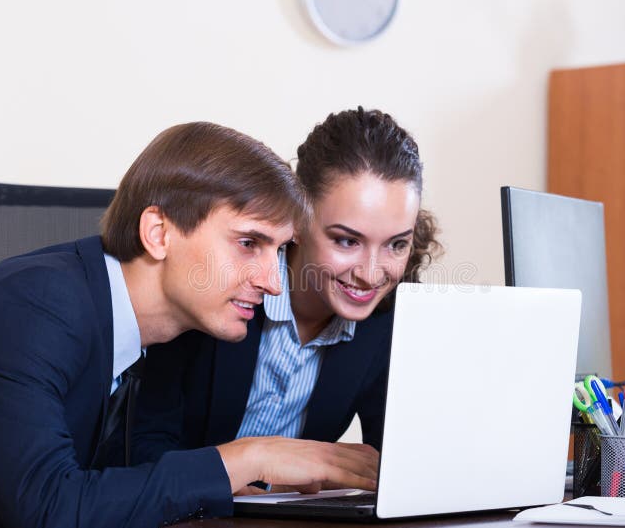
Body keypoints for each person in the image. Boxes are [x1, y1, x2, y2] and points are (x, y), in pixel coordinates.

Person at [0, 122, 378, 528]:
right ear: (158, 233)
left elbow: (112, 486)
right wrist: (251, 456)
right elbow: (50, 508)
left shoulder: (140, 338)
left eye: (278, 252)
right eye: (249, 243)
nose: (272, 282)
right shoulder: (36, 307)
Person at [132, 108, 441, 481]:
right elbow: (139, 444)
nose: (371, 274)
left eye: (396, 244)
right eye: (346, 240)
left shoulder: (388, 320)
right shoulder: (218, 285)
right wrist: (214, 485)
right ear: (298, 220)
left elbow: (399, 462)